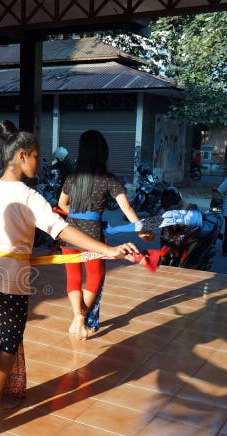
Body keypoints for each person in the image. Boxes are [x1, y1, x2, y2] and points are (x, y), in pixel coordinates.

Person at [0, 121, 139, 407]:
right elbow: (63, 230)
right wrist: (107, 249)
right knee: (9, 340)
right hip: (12, 277)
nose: (38, 162)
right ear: (21, 156)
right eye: (35, 156)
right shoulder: (30, 197)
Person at [58, 130, 153, 340]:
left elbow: (61, 204)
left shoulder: (72, 178)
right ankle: (79, 322)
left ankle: (76, 319)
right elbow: (127, 209)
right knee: (95, 277)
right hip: (92, 235)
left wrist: (77, 212)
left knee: (74, 277)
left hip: (70, 232)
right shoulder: (108, 180)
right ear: (103, 152)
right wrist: (141, 229)